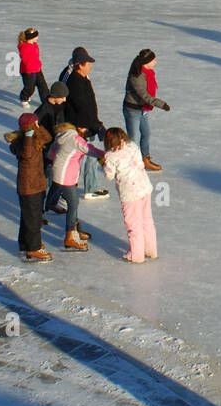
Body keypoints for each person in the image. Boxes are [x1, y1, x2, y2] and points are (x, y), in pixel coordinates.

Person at [101, 126, 158, 264]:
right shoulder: (132, 146)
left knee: (133, 223)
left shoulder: (110, 156)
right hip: (144, 186)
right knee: (146, 219)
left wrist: (103, 163)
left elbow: (109, 175)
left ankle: (137, 255)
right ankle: (151, 250)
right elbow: (139, 163)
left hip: (130, 193)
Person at [45, 123, 102, 250]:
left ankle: (74, 228)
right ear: (79, 128)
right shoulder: (76, 139)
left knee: (65, 196)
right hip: (67, 176)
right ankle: (70, 235)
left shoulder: (62, 135)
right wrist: (107, 155)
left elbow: (52, 153)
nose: (86, 130)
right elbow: (90, 150)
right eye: (84, 128)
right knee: (73, 203)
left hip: (58, 172)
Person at [6, 112, 52, 261]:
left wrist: (38, 128)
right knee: (33, 218)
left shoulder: (34, 139)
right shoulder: (23, 143)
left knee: (31, 215)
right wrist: (27, 136)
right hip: (28, 186)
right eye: (36, 123)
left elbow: (48, 138)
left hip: (36, 184)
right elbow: (26, 154)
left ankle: (25, 243)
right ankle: (34, 248)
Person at [64, 47, 108, 199]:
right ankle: (63, 191)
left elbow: (88, 106)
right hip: (81, 127)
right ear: (80, 65)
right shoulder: (75, 82)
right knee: (76, 158)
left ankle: (90, 187)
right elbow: (82, 107)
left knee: (88, 157)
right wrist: (94, 126)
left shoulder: (82, 78)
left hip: (87, 125)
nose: (91, 65)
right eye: (88, 63)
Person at [123, 49, 170, 172]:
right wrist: (162, 104)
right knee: (133, 138)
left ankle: (145, 159)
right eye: (154, 60)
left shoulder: (148, 73)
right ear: (146, 62)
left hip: (142, 108)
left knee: (146, 133)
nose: (156, 62)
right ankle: (132, 163)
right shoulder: (137, 75)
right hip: (132, 109)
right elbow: (145, 96)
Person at [17, 28, 49, 108]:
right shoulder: (25, 47)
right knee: (30, 88)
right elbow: (25, 60)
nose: (38, 38)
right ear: (31, 37)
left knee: (43, 85)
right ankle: (24, 98)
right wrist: (30, 70)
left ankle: (46, 101)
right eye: (36, 36)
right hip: (28, 71)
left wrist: (38, 65)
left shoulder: (34, 44)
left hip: (37, 69)